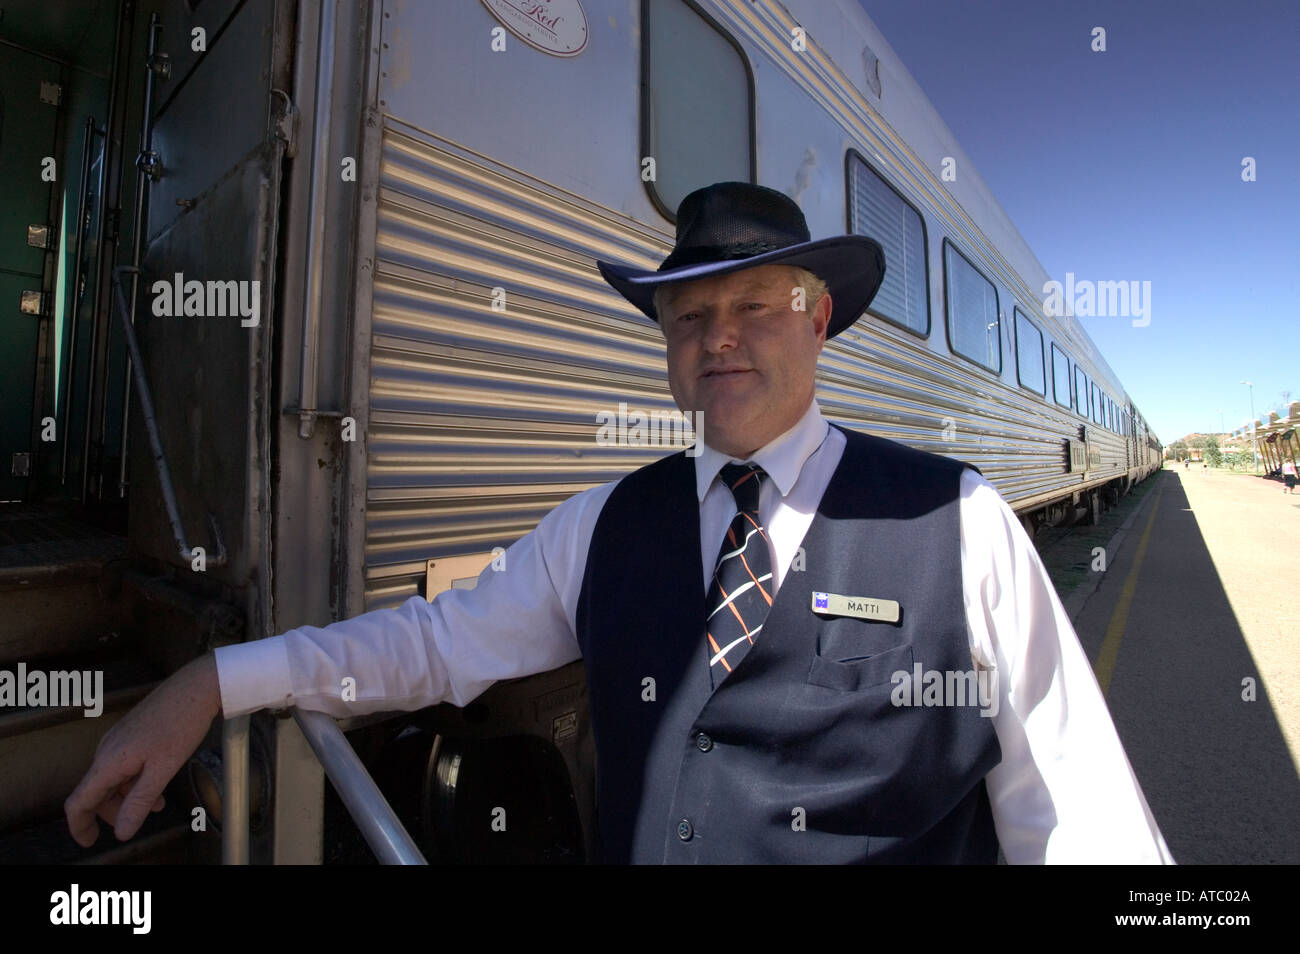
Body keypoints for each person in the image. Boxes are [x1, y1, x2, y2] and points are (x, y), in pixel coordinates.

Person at [65, 181, 1172, 864]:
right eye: (689, 315)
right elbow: (431, 648)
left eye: (754, 306)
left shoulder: (958, 520)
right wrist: (216, 682)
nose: (719, 337)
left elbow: (1074, 816)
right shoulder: (602, 529)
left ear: (817, 318)